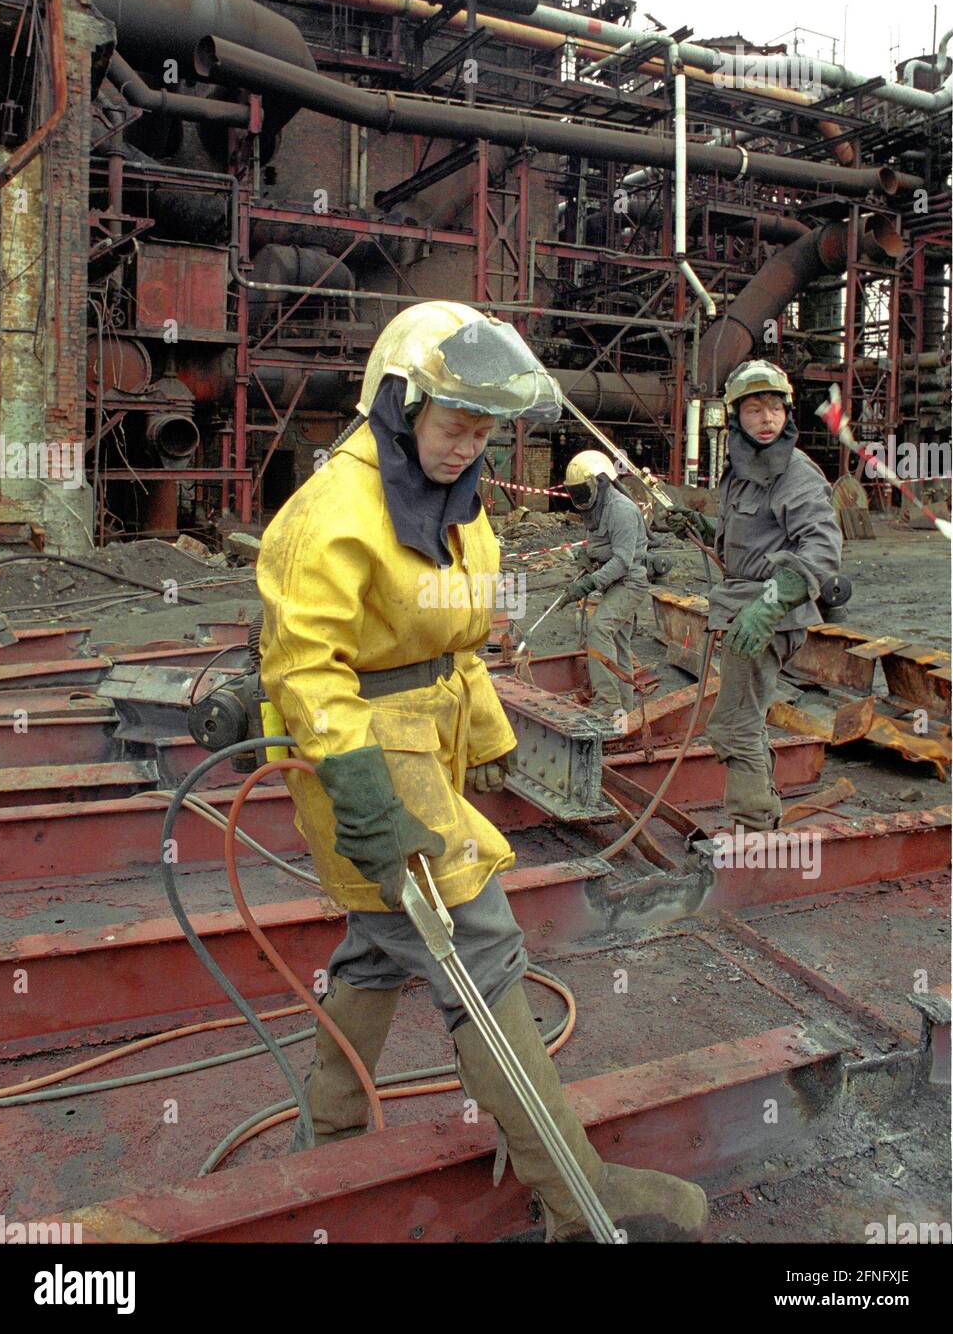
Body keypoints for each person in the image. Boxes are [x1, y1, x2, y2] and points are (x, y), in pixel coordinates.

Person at [257, 301, 708, 1242]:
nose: (469, 446)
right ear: (397, 403)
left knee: (380, 945)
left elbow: (456, 652)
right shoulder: (333, 512)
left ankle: (325, 1142)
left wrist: (495, 738)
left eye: (483, 430)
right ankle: (578, 1198)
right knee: (482, 953)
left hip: (429, 747)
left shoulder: (448, 505)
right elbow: (302, 668)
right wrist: (365, 795)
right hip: (369, 764)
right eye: (455, 424)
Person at [667, 360, 843, 831]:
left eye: (774, 408)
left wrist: (766, 608)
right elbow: (749, 538)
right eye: (753, 409)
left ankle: (753, 830)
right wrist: (700, 526)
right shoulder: (744, 469)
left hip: (770, 614)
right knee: (745, 717)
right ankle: (763, 813)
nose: (766, 419)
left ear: (787, 414)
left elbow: (823, 551)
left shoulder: (795, 474)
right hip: (741, 605)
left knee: (733, 724)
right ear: (735, 418)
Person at [557, 451, 650, 719]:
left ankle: (609, 703)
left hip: (630, 582)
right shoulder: (596, 508)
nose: (579, 498)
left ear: (600, 482)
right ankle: (624, 715)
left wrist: (588, 583)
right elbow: (602, 547)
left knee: (599, 630)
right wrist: (589, 558)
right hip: (614, 583)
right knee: (619, 646)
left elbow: (622, 561)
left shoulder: (621, 509)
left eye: (582, 490)